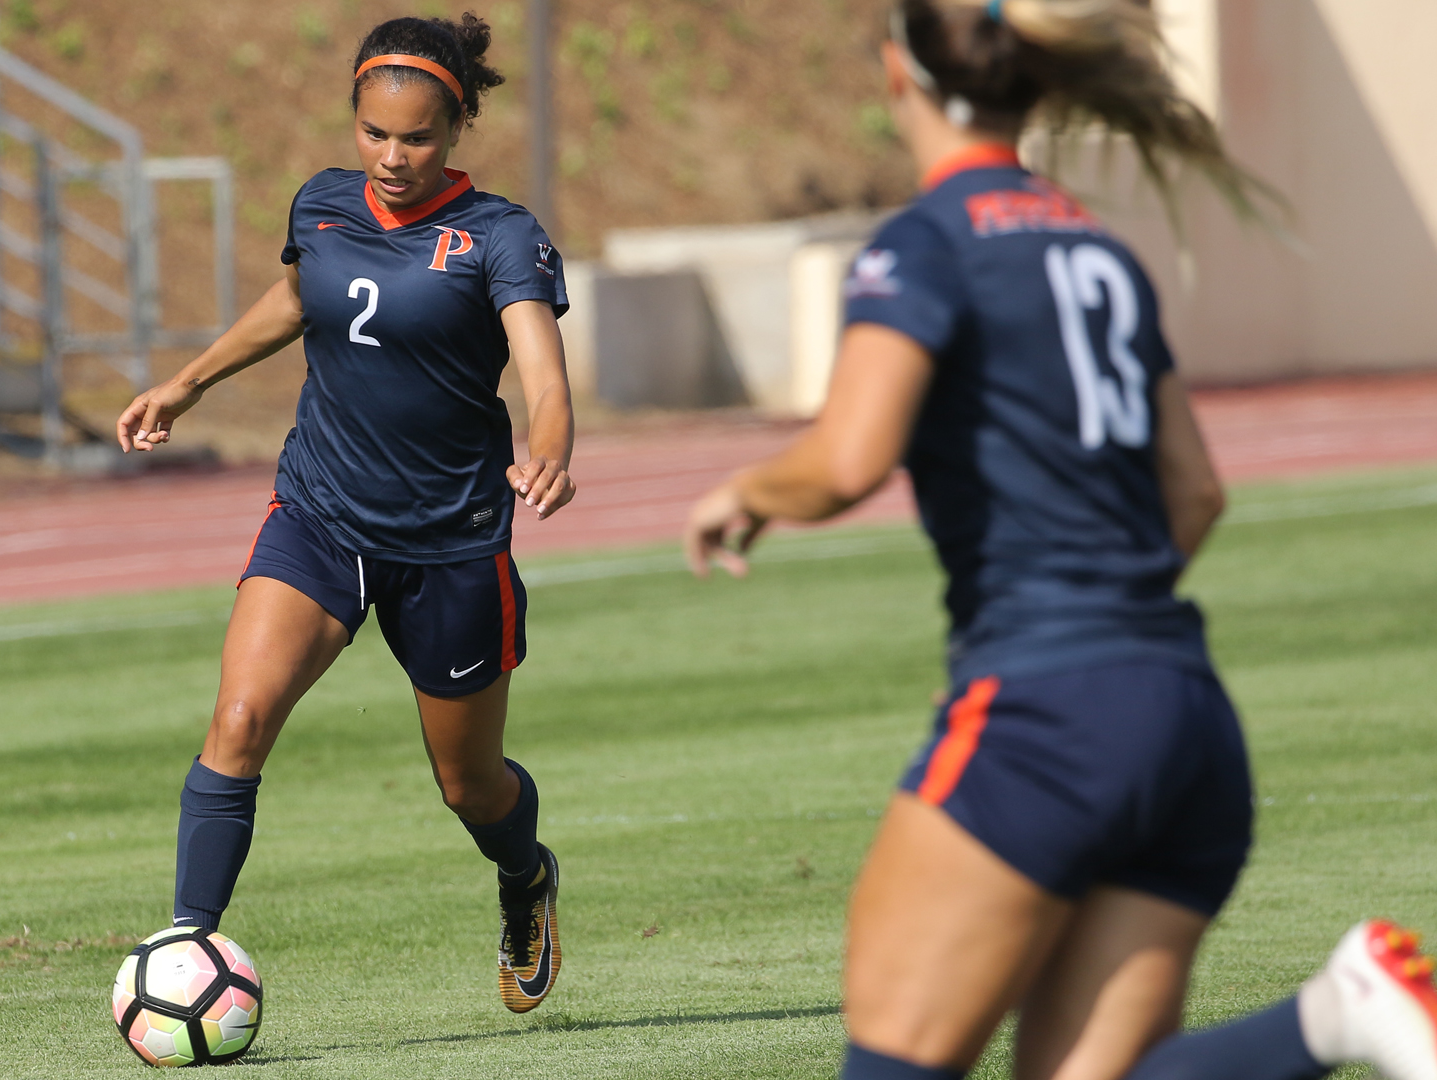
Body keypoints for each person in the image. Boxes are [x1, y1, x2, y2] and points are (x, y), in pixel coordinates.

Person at [682, 3, 1437, 1080]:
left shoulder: (924, 243)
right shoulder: (1096, 245)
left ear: (897, 73)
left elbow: (848, 458)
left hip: (1046, 719)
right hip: (1183, 715)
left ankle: (1341, 1012)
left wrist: (746, 490)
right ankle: (1330, 1017)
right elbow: (1195, 491)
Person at [116, 12, 572, 1014]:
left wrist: (550, 444)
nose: (393, 157)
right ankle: (189, 947)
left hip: (452, 542)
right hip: (320, 513)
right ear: (353, 121)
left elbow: (541, 367)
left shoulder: (499, 236)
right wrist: (187, 383)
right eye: (375, 133)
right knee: (239, 720)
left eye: (417, 138)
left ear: (456, 128)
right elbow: (297, 302)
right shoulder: (322, 203)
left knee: (470, 785)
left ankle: (525, 874)